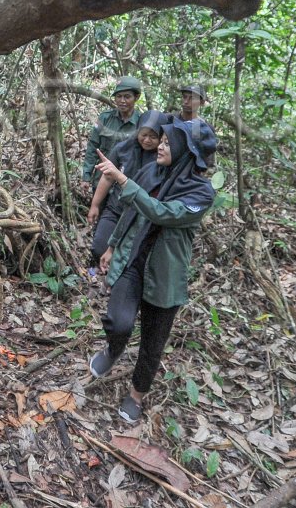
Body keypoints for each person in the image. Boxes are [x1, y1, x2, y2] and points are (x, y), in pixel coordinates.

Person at [88, 118, 218, 423]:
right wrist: (111, 246)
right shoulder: (151, 171)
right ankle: (113, 349)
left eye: (168, 143)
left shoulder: (201, 193)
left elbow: (162, 213)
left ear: (187, 152)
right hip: (134, 260)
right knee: (118, 322)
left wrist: (122, 179)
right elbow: (131, 212)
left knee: (152, 343)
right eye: (161, 140)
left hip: (165, 278)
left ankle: (136, 396)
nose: (160, 145)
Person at [86, 109, 170, 274]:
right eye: (143, 134)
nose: (146, 140)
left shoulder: (164, 156)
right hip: (116, 208)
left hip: (141, 216)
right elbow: (107, 177)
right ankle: (104, 267)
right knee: (98, 248)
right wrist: (95, 205)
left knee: (131, 258)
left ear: (162, 137)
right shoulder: (123, 148)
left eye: (153, 137)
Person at [82, 77, 144, 190]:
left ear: (136, 97)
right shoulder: (105, 118)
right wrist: (86, 176)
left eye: (127, 96)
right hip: (101, 180)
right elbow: (92, 148)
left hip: (127, 183)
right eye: (118, 96)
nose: (122, 101)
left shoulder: (142, 122)